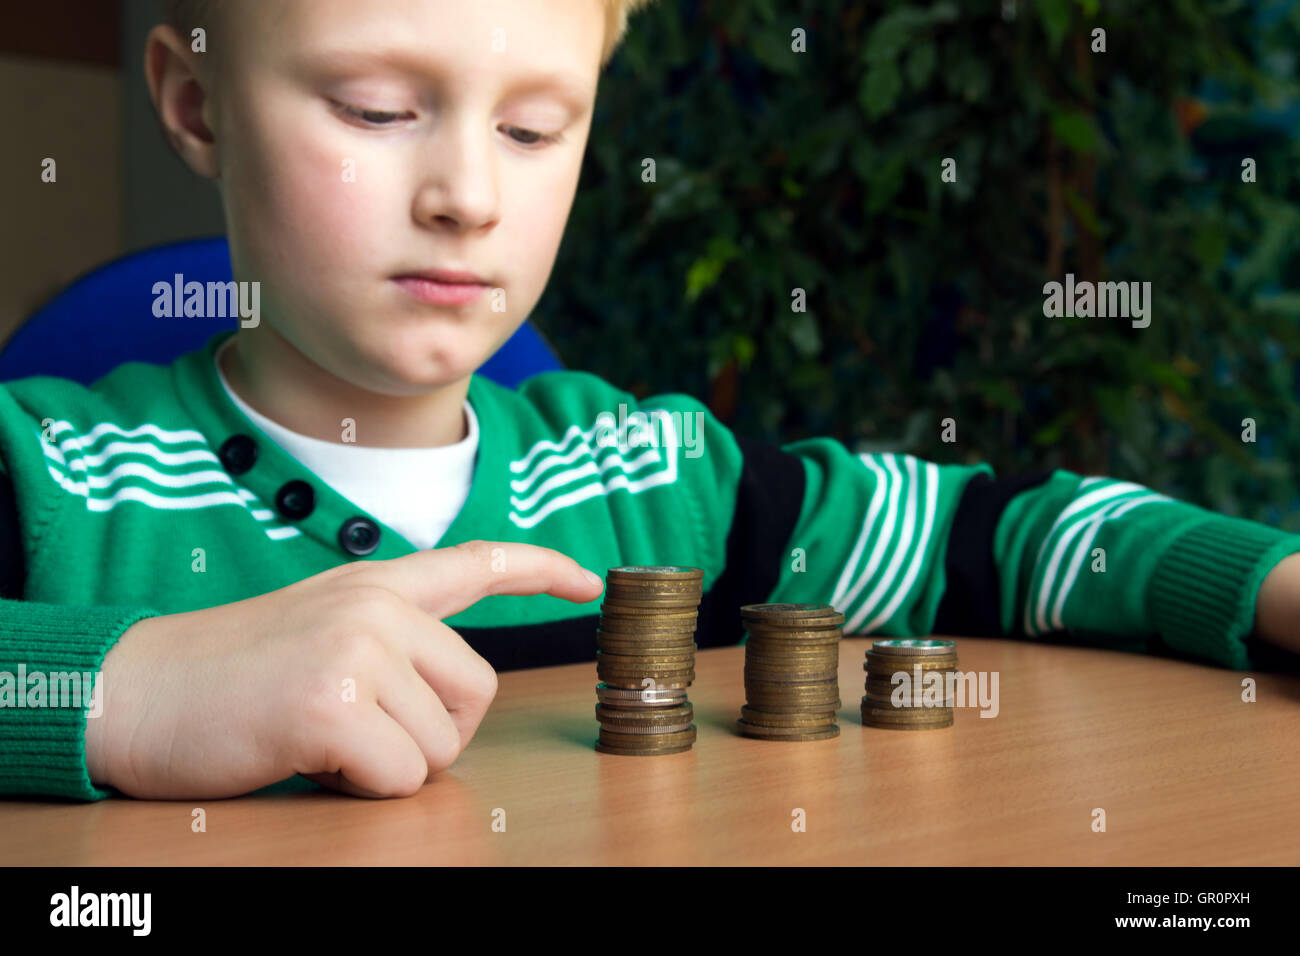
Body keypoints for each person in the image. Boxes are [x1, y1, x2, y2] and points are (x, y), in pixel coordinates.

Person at [1, 0, 1297, 802]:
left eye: (533, 129)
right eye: (377, 107)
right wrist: (121, 691)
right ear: (195, 104)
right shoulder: (50, 474)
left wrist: (1272, 583)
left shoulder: (658, 478)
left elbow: (1011, 537)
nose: (468, 195)